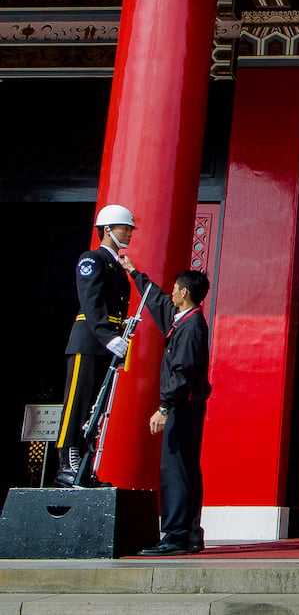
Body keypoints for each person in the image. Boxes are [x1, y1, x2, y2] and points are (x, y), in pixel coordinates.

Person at [119, 255, 212, 556]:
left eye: (175, 288)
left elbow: (182, 370)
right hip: (185, 407)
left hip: (183, 407)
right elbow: (159, 303)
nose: (171, 292)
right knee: (184, 469)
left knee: (175, 470)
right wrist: (135, 272)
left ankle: (175, 534)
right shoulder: (182, 321)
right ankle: (189, 533)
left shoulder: (192, 326)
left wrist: (163, 407)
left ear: (184, 292)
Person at [55, 204, 136, 487]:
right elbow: (91, 303)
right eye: (124, 227)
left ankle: (83, 468)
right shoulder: (92, 259)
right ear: (107, 230)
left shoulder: (117, 264)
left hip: (107, 342)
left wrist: (120, 332)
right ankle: (67, 462)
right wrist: (107, 335)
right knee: (77, 402)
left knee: (94, 408)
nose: (129, 232)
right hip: (89, 340)